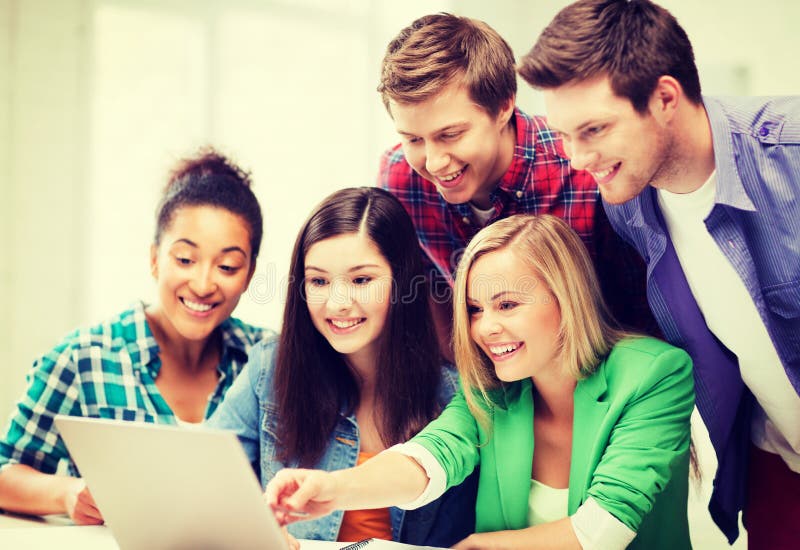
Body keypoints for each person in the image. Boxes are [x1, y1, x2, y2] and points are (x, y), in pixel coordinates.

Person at [517, 1, 800, 547]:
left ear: (665, 98)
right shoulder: (627, 204)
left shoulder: (790, 154)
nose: (577, 158)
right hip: (777, 464)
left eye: (594, 129)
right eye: (565, 135)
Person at [265, 214, 695, 550]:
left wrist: (482, 547)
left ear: (567, 298)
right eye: (474, 309)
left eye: (506, 305)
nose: (485, 328)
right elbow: (429, 458)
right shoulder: (493, 390)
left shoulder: (655, 375)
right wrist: (333, 489)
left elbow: (604, 529)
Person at [0, 148, 268, 525]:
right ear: (155, 259)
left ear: (249, 274)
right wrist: (67, 493)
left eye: (227, 266)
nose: (203, 284)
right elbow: (6, 470)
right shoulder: (84, 358)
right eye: (185, 260)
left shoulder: (267, 360)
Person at [376, 13, 658, 358]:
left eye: (450, 135)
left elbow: (641, 316)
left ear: (503, 107)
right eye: (413, 139)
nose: (434, 163)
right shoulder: (401, 178)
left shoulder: (586, 169)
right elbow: (428, 295)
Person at [207, 187, 477, 546]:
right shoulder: (269, 368)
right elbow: (203, 479)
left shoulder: (452, 395)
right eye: (318, 281)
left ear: (402, 283)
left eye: (361, 280)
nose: (337, 303)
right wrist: (256, 532)